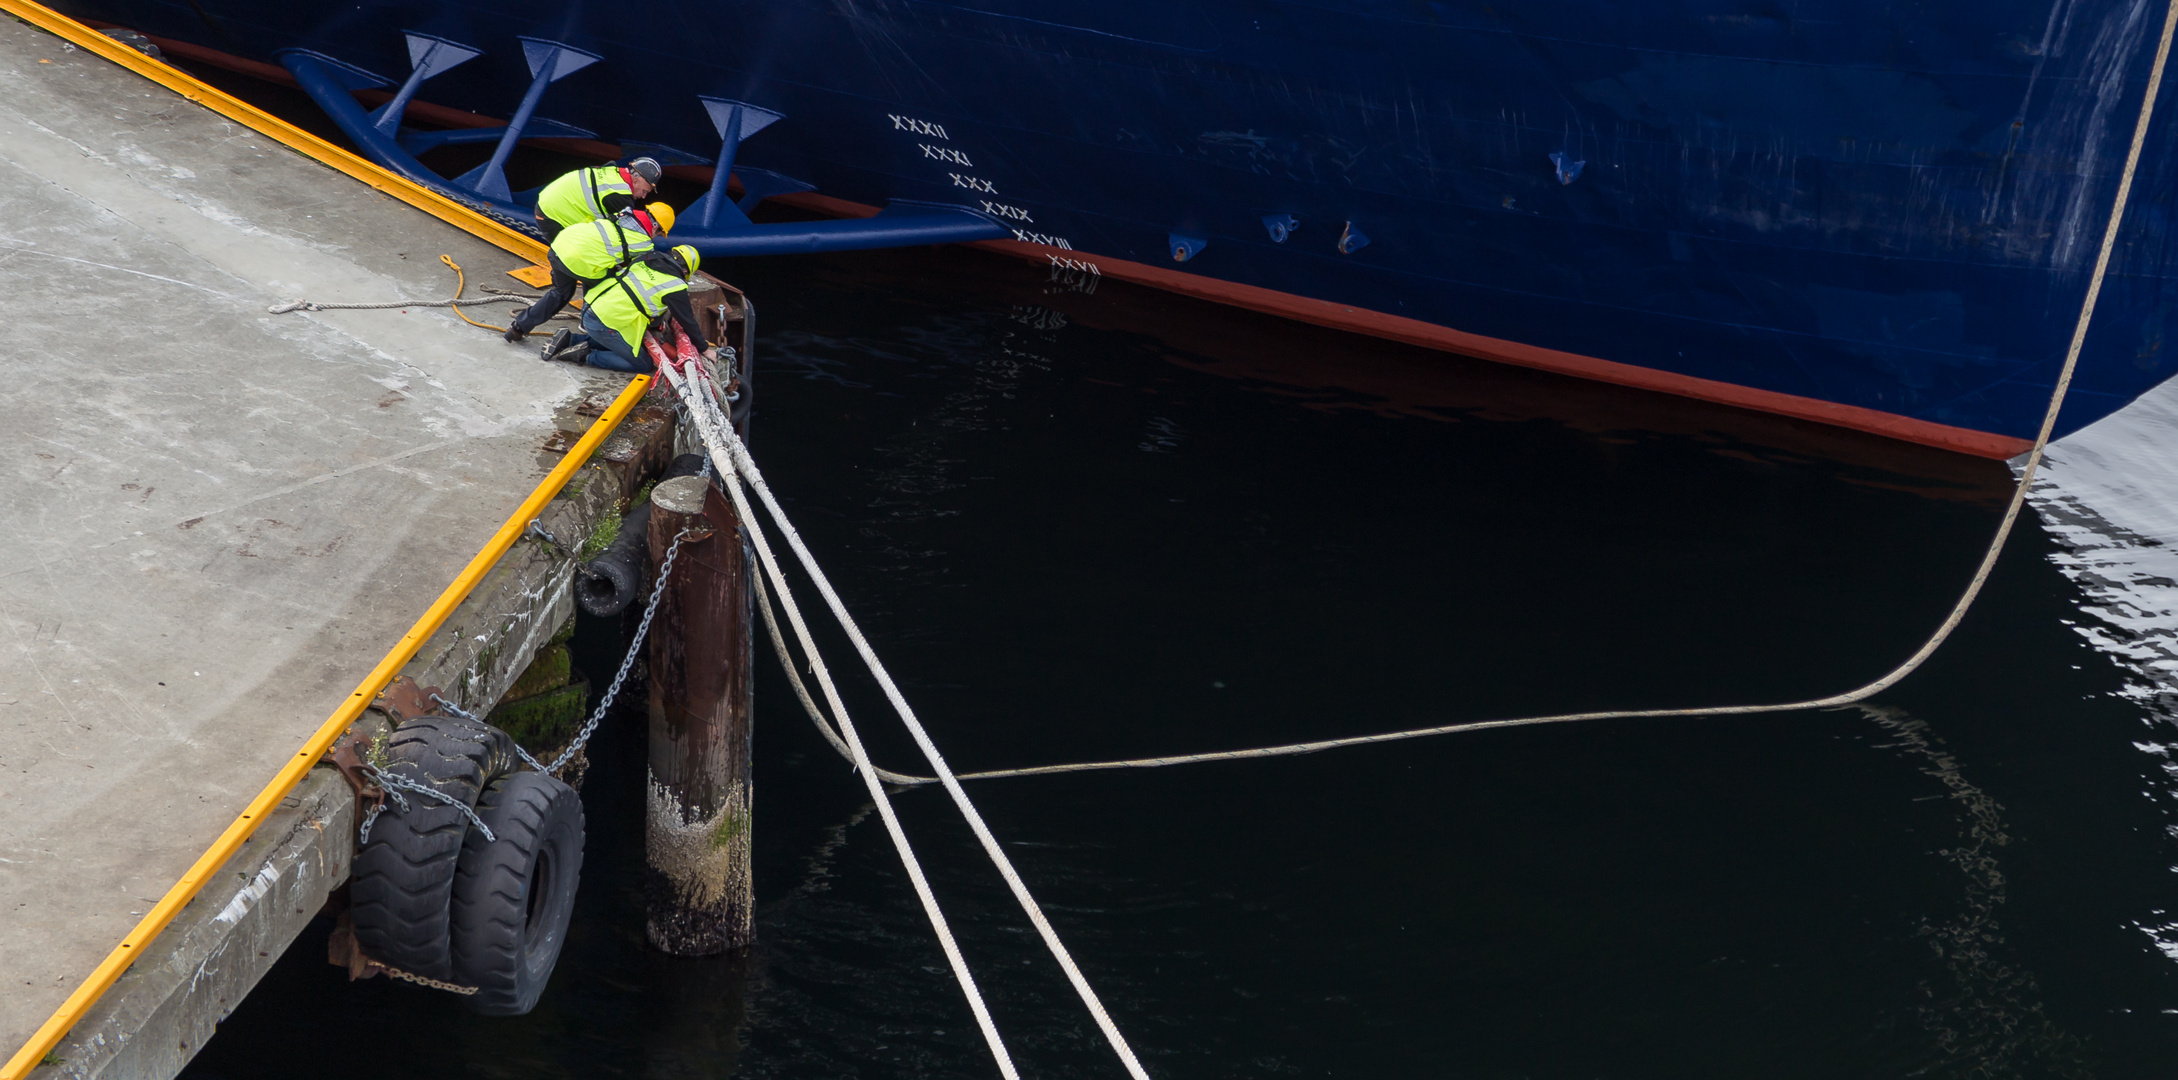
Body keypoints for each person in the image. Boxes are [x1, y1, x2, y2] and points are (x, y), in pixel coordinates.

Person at [503, 203, 675, 343]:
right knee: (610, 285)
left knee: (560, 293)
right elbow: (634, 276)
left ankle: (518, 327)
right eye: (660, 233)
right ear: (655, 226)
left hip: (561, 245)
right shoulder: (643, 244)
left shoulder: (623, 213)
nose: (657, 236)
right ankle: (589, 323)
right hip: (578, 260)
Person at [540, 244, 717, 373]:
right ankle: (586, 355)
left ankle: (570, 339)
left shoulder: (646, 259)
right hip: (605, 320)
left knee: (624, 341)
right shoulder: (675, 285)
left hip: (593, 304)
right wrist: (704, 349)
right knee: (641, 363)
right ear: (686, 271)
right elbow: (687, 320)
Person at [532, 157, 662, 241]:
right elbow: (627, 236)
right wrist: (649, 236)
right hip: (554, 218)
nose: (643, 197)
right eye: (645, 191)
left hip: (546, 203)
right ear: (637, 180)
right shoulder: (621, 197)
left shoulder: (612, 170)